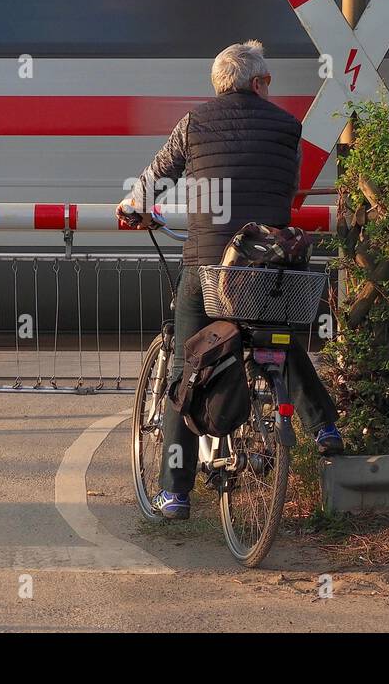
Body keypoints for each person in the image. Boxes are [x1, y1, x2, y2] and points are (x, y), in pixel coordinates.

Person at [116, 40, 343, 521]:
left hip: (210, 269)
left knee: (186, 363)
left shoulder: (194, 123)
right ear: (258, 83)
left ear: (220, 83)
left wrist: (134, 208)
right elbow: (287, 190)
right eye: (268, 81)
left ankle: (174, 493)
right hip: (269, 267)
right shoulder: (287, 127)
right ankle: (323, 427)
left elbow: (156, 177)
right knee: (275, 337)